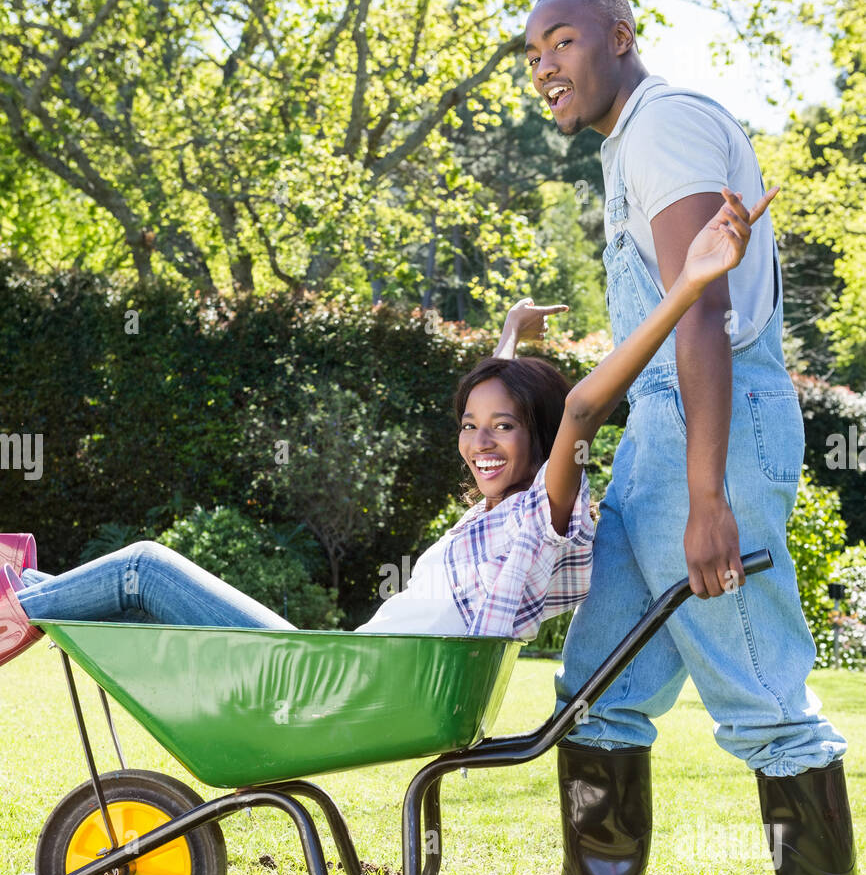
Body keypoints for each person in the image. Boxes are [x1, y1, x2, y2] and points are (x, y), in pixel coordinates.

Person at [467, 0, 856, 875]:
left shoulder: (665, 124)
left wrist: (705, 495)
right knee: (594, 684)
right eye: (529, 51)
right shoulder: (627, 141)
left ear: (618, 38)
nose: (542, 64)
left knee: (757, 686)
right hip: (660, 432)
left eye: (561, 40)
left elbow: (701, 309)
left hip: (707, 431)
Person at [2, 187, 764, 674]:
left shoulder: (543, 517)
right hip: (336, 670)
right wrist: (507, 335)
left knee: (140, 568)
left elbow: (577, 410)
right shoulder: (496, 514)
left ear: (540, 441)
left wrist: (689, 283)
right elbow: (496, 416)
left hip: (329, 682)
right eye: (470, 429)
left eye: (503, 430)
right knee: (121, 577)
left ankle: (16, 606)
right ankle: (24, 591)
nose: (480, 444)